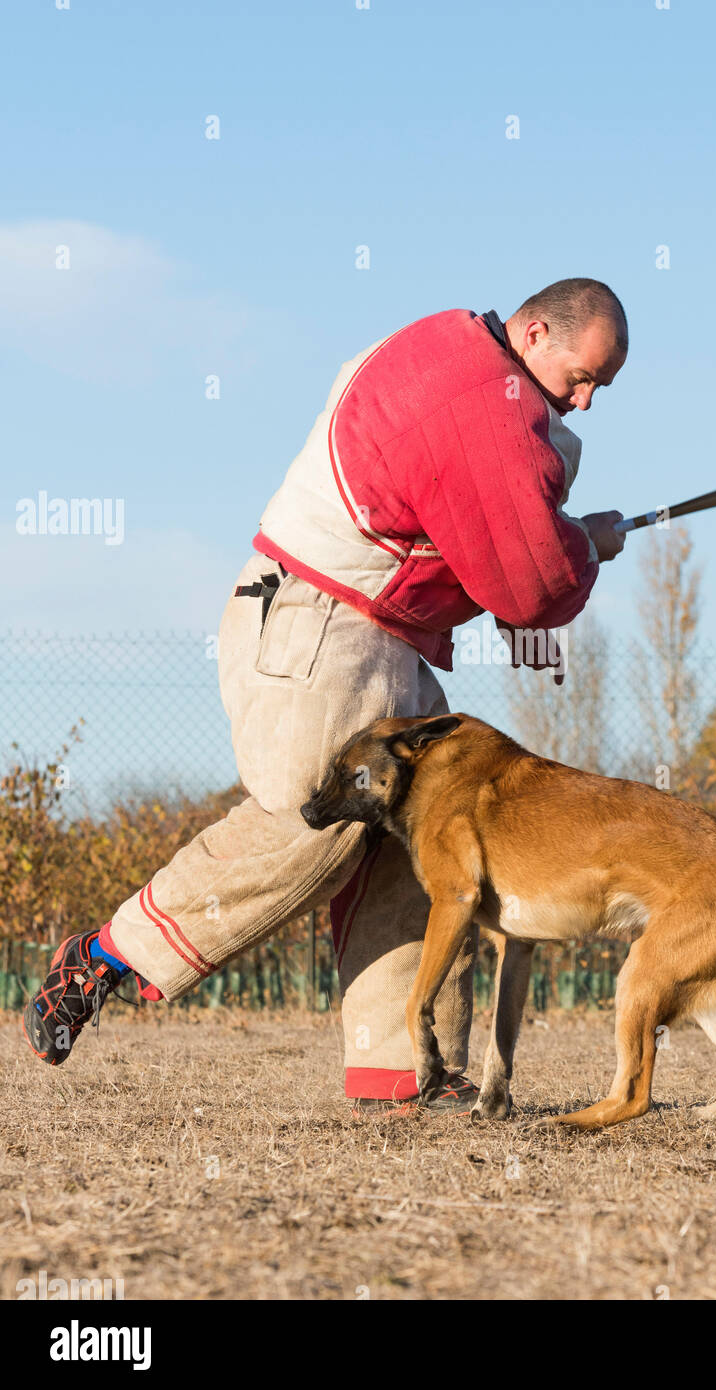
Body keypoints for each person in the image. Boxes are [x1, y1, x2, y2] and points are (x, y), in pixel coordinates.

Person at [23, 277, 628, 1113]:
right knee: (318, 818)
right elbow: (528, 583)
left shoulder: (450, 349)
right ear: (533, 333)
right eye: (583, 377)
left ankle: (407, 1069)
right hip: (320, 624)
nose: (587, 401)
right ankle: (102, 957)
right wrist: (585, 547)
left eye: (601, 388)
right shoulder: (482, 401)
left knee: (422, 835)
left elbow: (471, 538)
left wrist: (552, 549)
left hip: (375, 633)